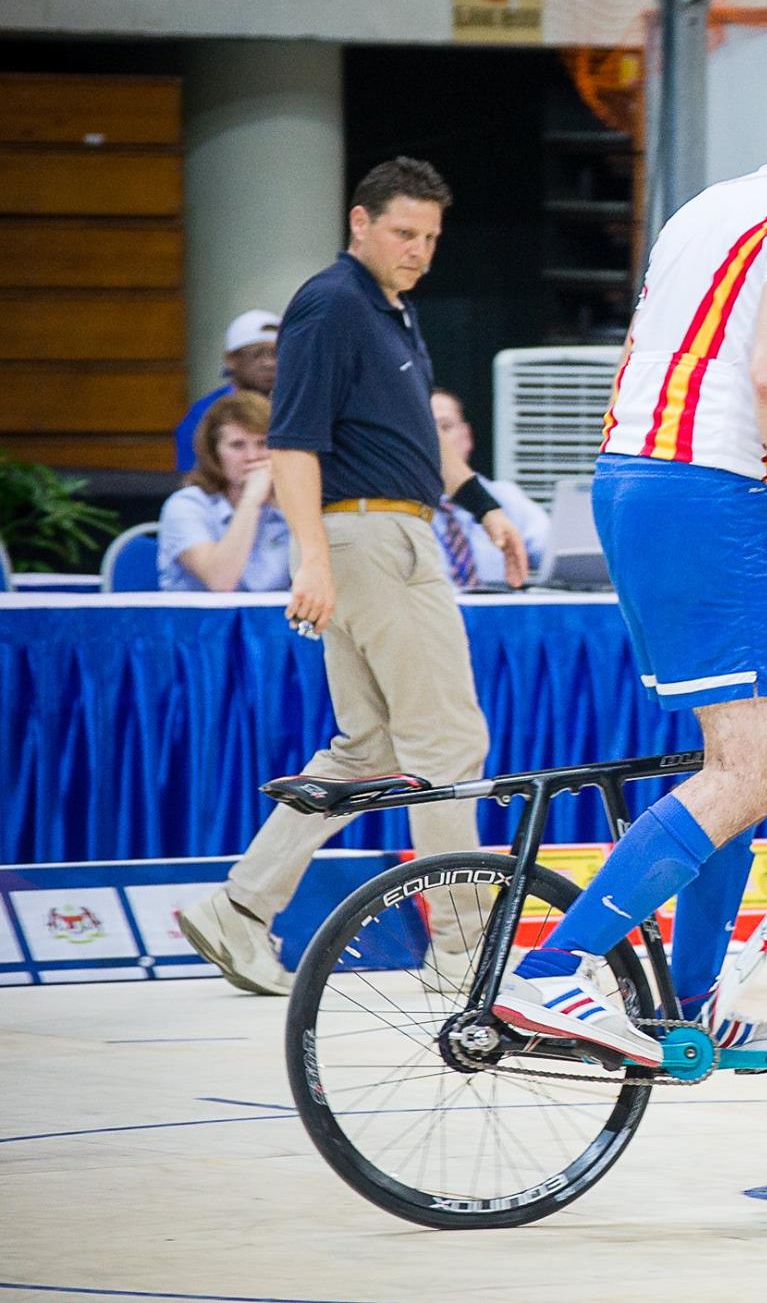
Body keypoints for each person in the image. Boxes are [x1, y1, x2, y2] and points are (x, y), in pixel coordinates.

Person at [487, 46, 767, 1070]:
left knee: (742, 765)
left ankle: (694, 1000)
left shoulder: (710, 204)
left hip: (633, 481)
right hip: (701, 490)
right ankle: (551, 970)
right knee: (755, 769)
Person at [174, 157, 530, 996]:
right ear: (359, 222)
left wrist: (484, 505)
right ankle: (465, 951)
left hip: (388, 532)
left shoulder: (390, 312)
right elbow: (293, 441)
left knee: (368, 749)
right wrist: (314, 557)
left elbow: (415, 439)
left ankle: (239, 908)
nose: (419, 251)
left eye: (431, 237)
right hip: (374, 538)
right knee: (449, 742)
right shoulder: (332, 303)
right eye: (404, 232)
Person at [157, 391, 293, 592]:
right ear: (214, 453)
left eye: (263, 443)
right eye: (237, 445)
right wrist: (251, 499)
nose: (252, 457)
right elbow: (221, 582)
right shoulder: (186, 506)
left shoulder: (290, 505)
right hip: (205, 613)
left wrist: (287, 507)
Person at [429, 389, 551, 587]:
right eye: (425, 431)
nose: (436, 441)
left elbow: (551, 551)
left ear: (466, 436)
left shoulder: (504, 496)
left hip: (500, 605)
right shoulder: (397, 505)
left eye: (445, 427)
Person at [174, 310, 279, 474]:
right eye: (257, 354)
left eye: (277, 353)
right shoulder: (205, 413)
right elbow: (192, 475)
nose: (269, 363)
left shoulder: (296, 408)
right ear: (231, 359)